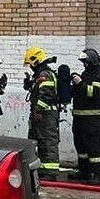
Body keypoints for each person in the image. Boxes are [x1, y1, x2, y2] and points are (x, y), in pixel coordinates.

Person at [69, 48, 100, 184]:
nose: (84, 64)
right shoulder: (86, 74)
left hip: (92, 119)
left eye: (85, 62)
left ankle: (97, 175)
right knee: (80, 145)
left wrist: (80, 83)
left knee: (92, 147)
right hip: (80, 117)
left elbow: (95, 93)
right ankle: (84, 171)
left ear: (92, 61)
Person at [23, 46, 60, 180]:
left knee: (47, 142)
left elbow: (46, 95)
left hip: (46, 115)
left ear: (35, 61)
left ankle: (50, 173)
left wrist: (38, 110)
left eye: (30, 64)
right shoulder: (40, 74)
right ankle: (43, 170)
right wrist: (29, 84)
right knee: (39, 140)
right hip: (41, 115)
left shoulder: (45, 74)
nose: (30, 67)